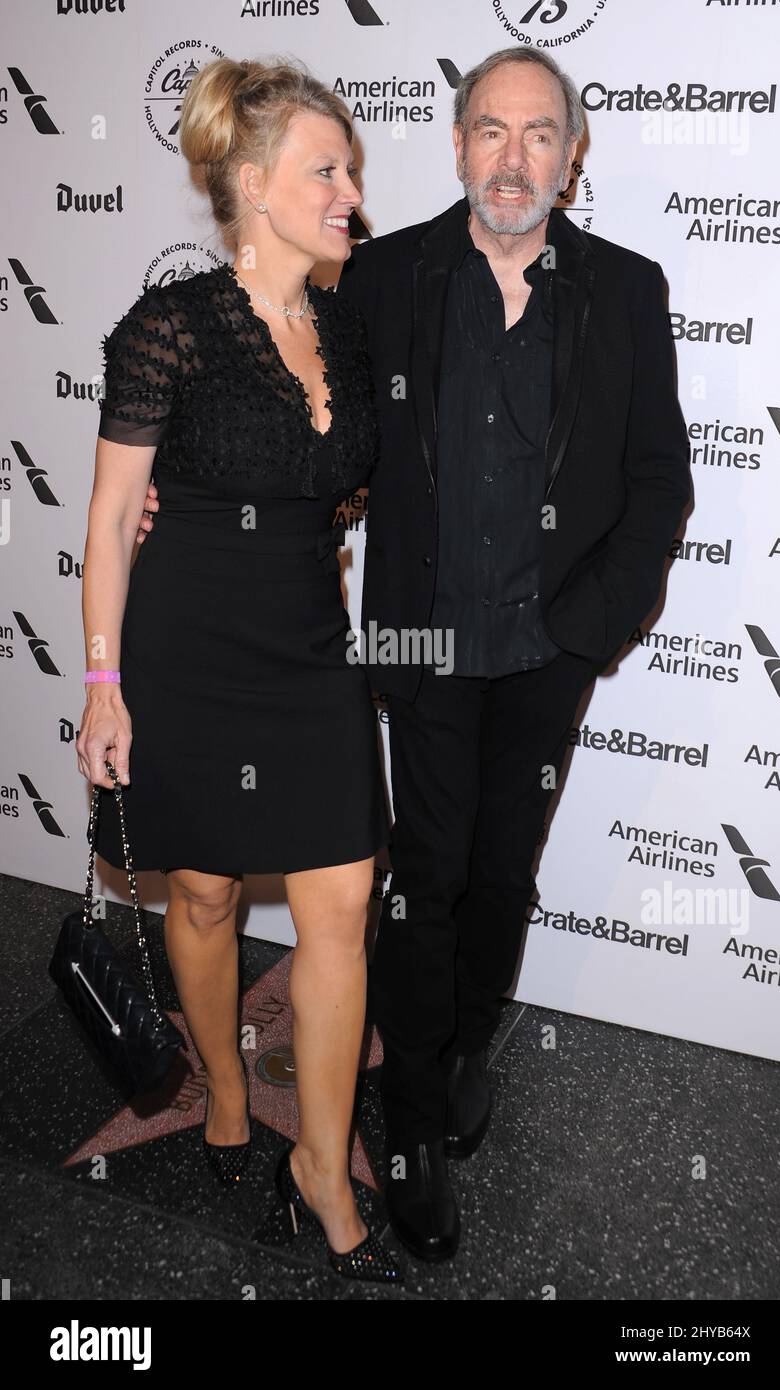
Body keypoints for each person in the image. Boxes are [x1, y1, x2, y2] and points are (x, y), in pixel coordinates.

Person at [137, 47, 692, 1264]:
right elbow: (283, 394)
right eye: (488, 131)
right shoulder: (380, 275)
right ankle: (409, 1124)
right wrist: (163, 489)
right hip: (418, 635)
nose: (511, 158)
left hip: (551, 644)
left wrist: (589, 620)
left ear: (570, 154)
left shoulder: (626, 289)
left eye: (537, 134)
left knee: (503, 872)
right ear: (453, 146)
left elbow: (658, 483)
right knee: (420, 878)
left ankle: (462, 1046)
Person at [77, 56, 401, 1285]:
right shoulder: (167, 330)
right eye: (327, 170)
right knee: (202, 898)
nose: (349, 194)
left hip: (311, 651)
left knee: (341, 912)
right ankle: (221, 1092)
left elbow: (343, 477)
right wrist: (102, 685)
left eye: (351, 170)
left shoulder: (349, 324)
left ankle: (320, 1163)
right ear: (254, 185)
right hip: (186, 650)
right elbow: (109, 522)